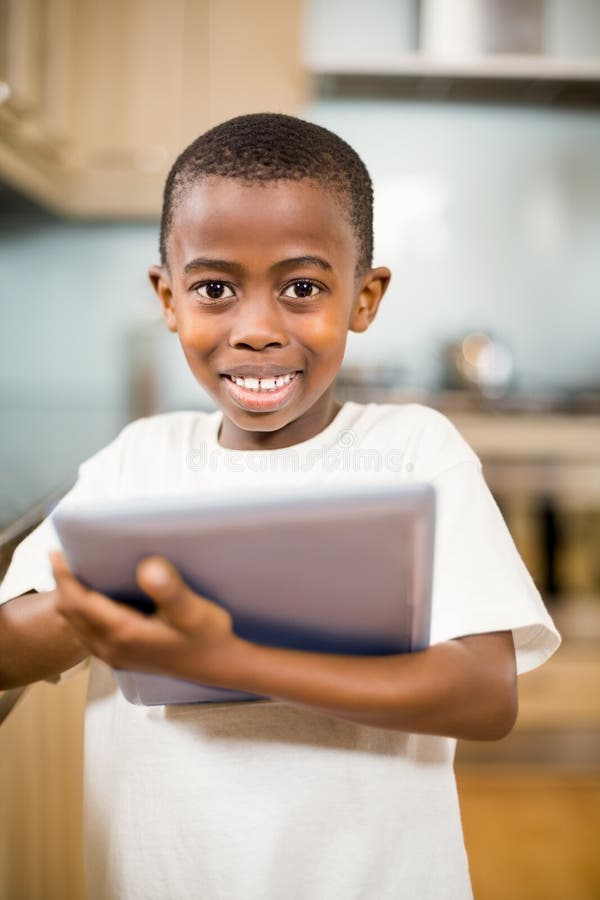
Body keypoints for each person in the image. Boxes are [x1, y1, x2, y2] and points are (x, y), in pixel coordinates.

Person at [0, 113, 560, 900]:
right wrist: (114, 599)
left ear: (365, 297)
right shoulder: (137, 461)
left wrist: (227, 658)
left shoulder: (414, 452)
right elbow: (10, 647)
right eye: (215, 289)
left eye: (302, 288)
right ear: (168, 297)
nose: (257, 330)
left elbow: (483, 693)